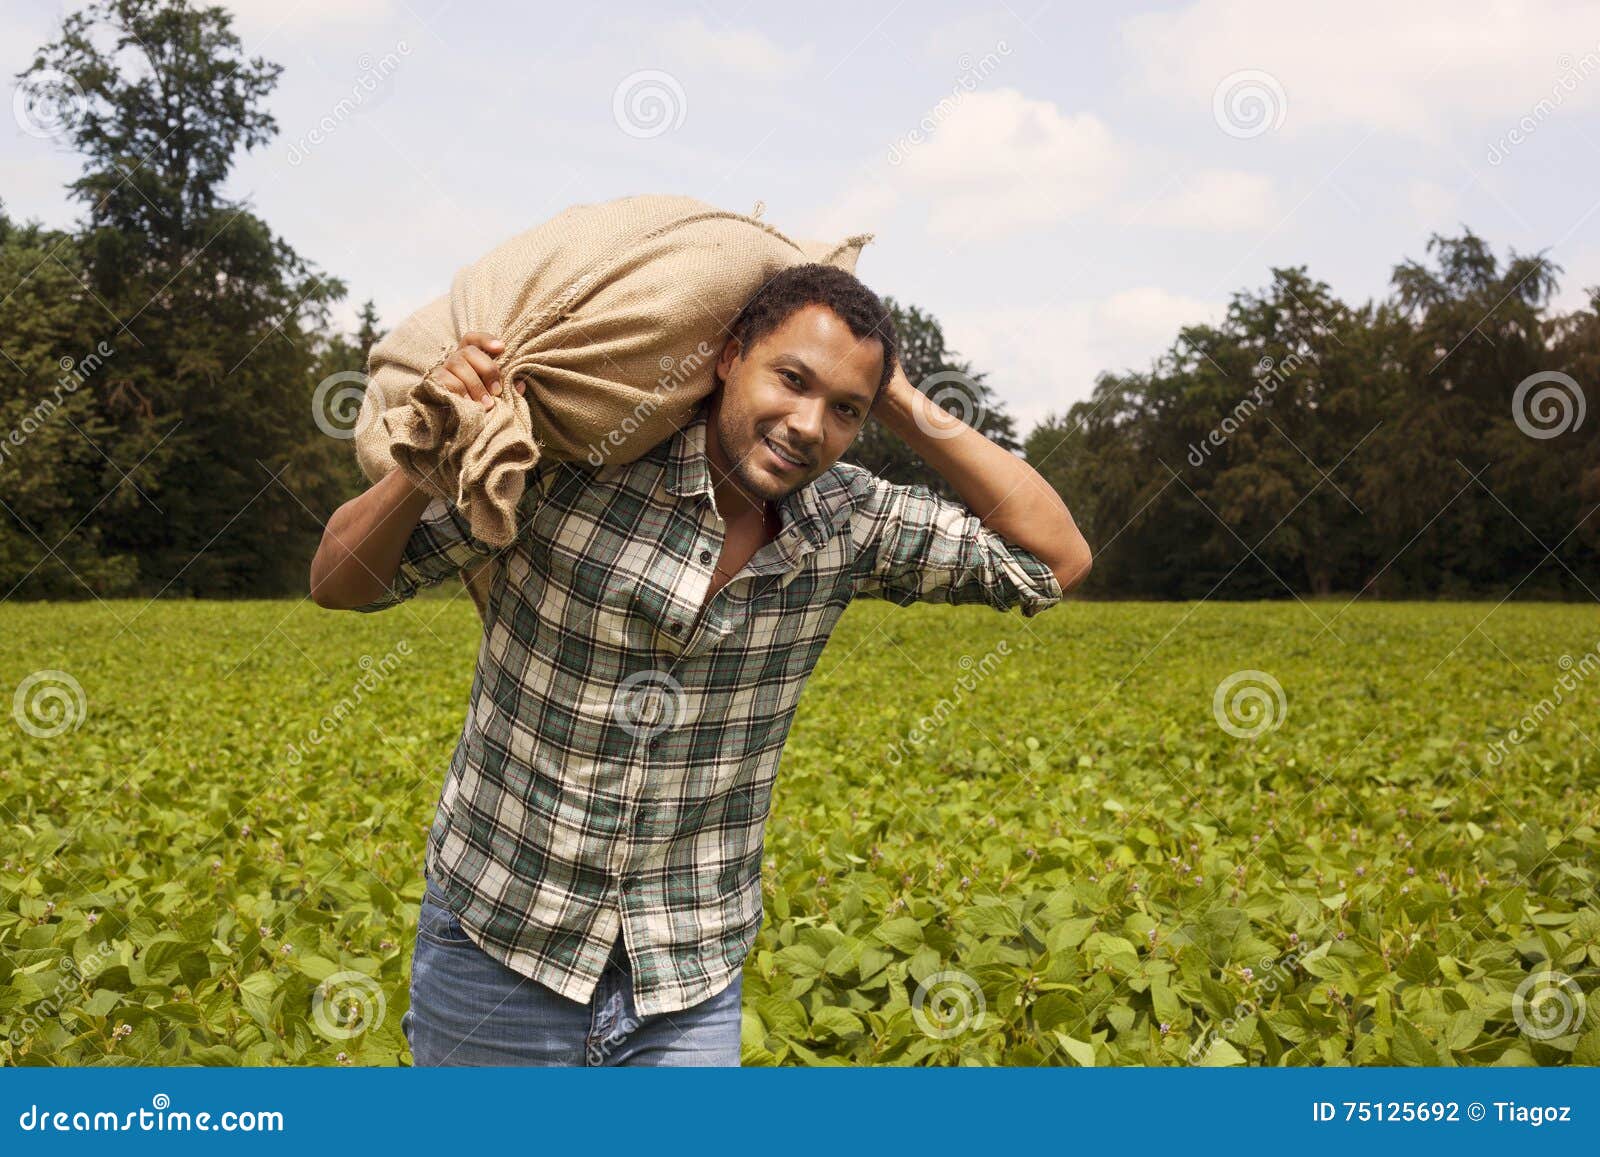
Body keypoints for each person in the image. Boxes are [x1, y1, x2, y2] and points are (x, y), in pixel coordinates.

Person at [308, 264, 1092, 1066]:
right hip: (498, 944)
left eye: (845, 410)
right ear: (727, 357)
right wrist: (430, 451)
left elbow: (1055, 558)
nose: (808, 424)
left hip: (686, 975)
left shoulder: (848, 521)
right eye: (792, 378)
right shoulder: (572, 462)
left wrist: (898, 397)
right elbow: (340, 583)